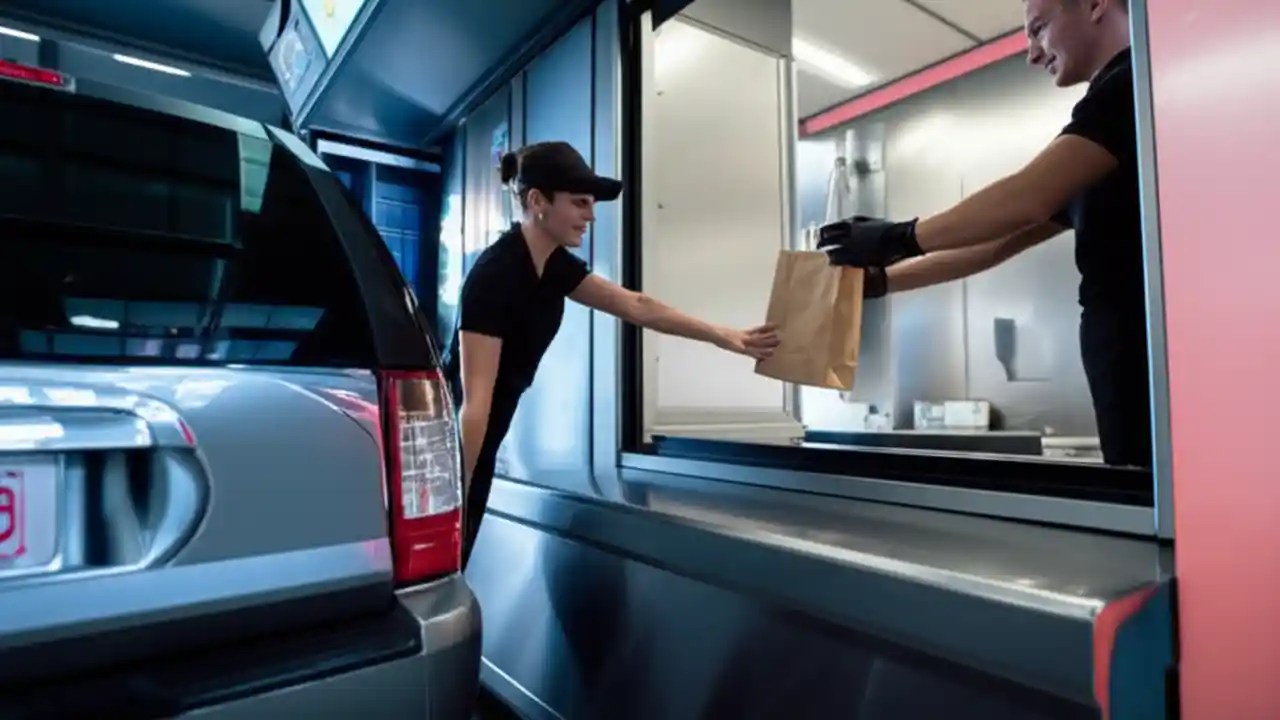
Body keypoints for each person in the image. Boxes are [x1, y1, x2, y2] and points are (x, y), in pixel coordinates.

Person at [816, 0, 1150, 467]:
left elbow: (1026, 196)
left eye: (1039, 29)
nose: (1033, 53)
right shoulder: (1112, 125)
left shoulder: (1132, 85)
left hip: (1146, 354)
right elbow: (992, 244)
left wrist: (899, 237)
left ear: (1095, 4)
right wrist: (880, 281)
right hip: (1124, 359)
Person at [444, 141, 778, 565]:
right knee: (445, 565)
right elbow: (473, 406)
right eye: (580, 202)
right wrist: (452, 501)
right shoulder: (495, 274)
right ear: (537, 201)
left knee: (455, 565)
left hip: (481, 443)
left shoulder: (551, 266)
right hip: (456, 448)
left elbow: (636, 306)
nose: (591, 215)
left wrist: (723, 335)